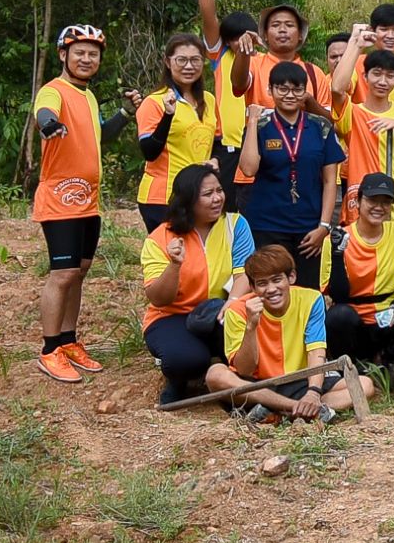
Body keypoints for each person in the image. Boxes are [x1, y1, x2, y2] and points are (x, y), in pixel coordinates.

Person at [32, 24, 136, 383]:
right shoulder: (54, 91)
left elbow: (99, 135)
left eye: (93, 54)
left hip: (89, 202)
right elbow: (44, 113)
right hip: (61, 200)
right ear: (63, 55)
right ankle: (49, 350)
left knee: (79, 272)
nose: (87, 58)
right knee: (61, 275)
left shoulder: (88, 97)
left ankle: (68, 340)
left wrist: (124, 114)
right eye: (79, 52)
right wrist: (49, 125)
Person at [210, 246, 373, 422]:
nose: (271, 289)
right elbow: (244, 369)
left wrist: (313, 392)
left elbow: (315, 351)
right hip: (257, 386)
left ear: (291, 277)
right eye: (262, 283)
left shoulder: (311, 299)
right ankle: (295, 409)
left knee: (364, 384)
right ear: (252, 287)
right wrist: (251, 326)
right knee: (215, 374)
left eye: (276, 280)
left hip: (300, 380)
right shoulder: (237, 310)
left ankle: (277, 412)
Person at [143, 165, 256, 403]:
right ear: (188, 200)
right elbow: (159, 298)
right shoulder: (160, 238)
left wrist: (233, 303)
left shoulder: (236, 225)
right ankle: (180, 378)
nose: (217, 199)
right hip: (172, 316)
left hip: (219, 309)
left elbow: (244, 274)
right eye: (208, 194)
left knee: (252, 336)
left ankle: (229, 372)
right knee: (186, 360)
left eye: (220, 190)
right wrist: (174, 265)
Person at [237, 62, 343, 288]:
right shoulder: (261, 126)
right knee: (271, 287)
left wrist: (324, 226)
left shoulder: (320, 126)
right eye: (282, 89)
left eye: (296, 89)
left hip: (309, 227)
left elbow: (329, 180)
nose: (289, 95)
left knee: (307, 290)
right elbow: (248, 169)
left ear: (305, 91)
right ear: (270, 90)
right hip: (267, 225)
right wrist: (253, 120)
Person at [325, 172, 394, 367]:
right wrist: (337, 254)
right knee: (339, 317)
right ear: (358, 201)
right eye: (372, 200)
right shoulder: (337, 239)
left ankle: (384, 357)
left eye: (386, 202)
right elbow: (338, 294)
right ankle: (353, 365)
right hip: (354, 317)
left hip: (390, 316)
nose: (379, 207)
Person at [329, 28, 394, 226]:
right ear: (365, 76)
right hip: (360, 205)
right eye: (377, 74)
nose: (382, 81)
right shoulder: (353, 113)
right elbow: (337, 89)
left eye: (390, 76)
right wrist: (356, 44)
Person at [136, 33, 218, 232]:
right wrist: (168, 115)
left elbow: (215, 142)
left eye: (195, 60)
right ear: (167, 61)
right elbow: (149, 152)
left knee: (195, 256)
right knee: (169, 257)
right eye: (181, 60)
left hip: (196, 194)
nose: (188, 66)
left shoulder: (209, 100)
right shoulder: (154, 102)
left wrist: (215, 160)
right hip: (162, 196)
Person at [193, 0, 259, 196]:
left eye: (244, 36)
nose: (239, 42)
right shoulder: (221, 57)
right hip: (229, 148)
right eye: (232, 38)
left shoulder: (267, 61)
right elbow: (209, 18)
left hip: (263, 147)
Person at [229, 0, 331, 111]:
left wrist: (310, 102)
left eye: (289, 25)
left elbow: (328, 121)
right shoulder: (253, 64)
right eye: (275, 25)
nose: (282, 29)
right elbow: (238, 85)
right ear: (265, 35)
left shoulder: (315, 73)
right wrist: (244, 49)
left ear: (300, 35)